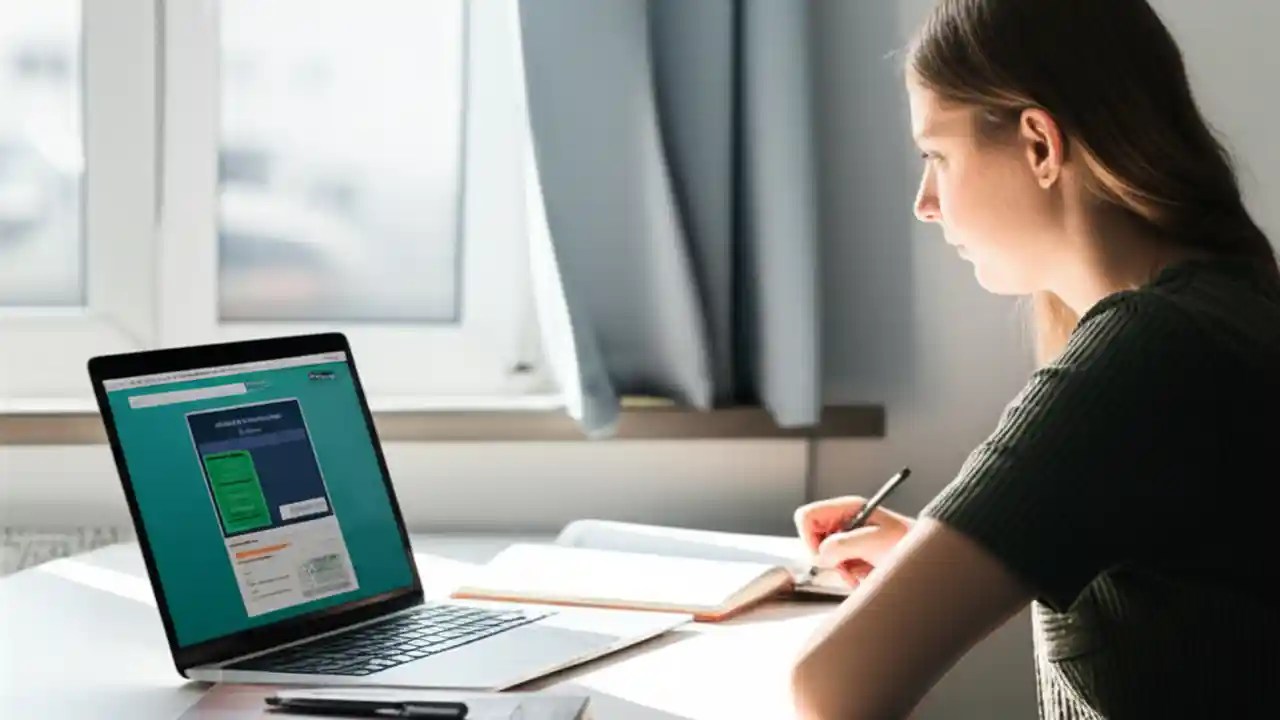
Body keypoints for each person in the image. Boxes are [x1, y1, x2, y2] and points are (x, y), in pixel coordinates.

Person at [788, 0, 1280, 718]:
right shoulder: (1230, 307)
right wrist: (937, 564)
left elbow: (827, 689)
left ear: (1040, 145)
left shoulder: (1141, 353)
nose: (925, 203)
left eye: (937, 156)